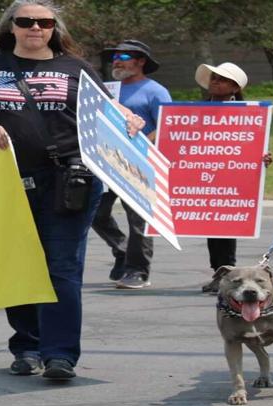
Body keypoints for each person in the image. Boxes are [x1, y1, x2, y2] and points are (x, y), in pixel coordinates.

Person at [0, 2, 144, 382]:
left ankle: (60, 355)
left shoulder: (76, 68)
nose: (35, 28)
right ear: (11, 27)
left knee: (62, 267)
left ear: (55, 28)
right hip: (6, 182)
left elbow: (112, 110)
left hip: (69, 182)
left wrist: (131, 118)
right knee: (18, 265)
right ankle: (27, 347)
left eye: (44, 22)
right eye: (26, 21)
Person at [89, 39, 169, 290]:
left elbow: (166, 125)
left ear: (141, 61)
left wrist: (140, 145)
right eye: (114, 58)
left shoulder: (155, 91)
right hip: (106, 162)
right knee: (95, 212)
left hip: (138, 164)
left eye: (123, 57)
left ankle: (138, 271)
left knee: (138, 220)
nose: (116, 61)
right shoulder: (107, 90)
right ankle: (122, 250)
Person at [193, 62, 271, 294]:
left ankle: (227, 273)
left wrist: (262, 157)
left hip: (232, 176)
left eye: (222, 79)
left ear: (235, 87)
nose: (215, 82)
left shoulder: (248, 113)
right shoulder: (196, 111)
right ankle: (218, 272)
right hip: (204, 175)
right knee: (210, 226)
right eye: (213, 78)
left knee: (226, 226)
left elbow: (253, 143)